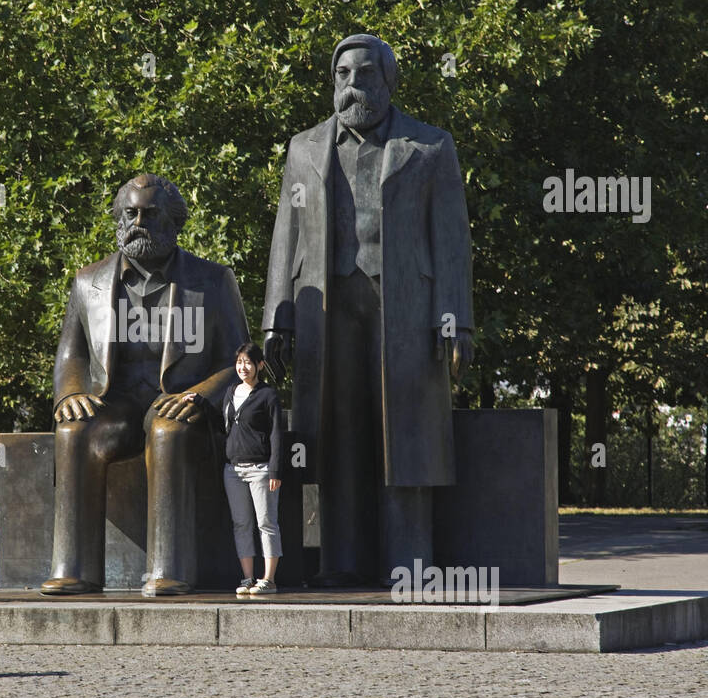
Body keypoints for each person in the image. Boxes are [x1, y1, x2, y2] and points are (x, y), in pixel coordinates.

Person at [262, 33, 473, 586]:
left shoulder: (429, 146)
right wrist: (275, 318)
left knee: (405, 435)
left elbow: (451, 240)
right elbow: (285, 236)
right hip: (324, 308)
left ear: (389, 82)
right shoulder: (303, 148)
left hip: (405, 304)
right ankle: (342, 561)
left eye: (366, 75)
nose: (354, 86)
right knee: (337, 434)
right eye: (344, 76)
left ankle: (410, 562)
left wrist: (457, 320)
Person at [45, 173, 249, 597]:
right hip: (113, 402)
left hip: (176, 401)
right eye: (130, 213)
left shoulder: (212, 280)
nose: (138, 222)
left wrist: (202, 395)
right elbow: (72, 355)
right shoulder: (88, 282)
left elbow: (238, 360)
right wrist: (70, 393)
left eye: (150, 214)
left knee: (166, 430)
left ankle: (168, 570)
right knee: (73, 432)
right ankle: (73, 569)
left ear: (174, 222)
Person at [187, 342, 284, 595]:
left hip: (261, 469)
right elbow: (224, 426)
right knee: (241, 524)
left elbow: (276, 435)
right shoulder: (230, 391)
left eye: (248, 362)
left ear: (259, 365)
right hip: (233, 470)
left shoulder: (268, 395)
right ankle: (248, 578)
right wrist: (201, 402)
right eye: (240, 362)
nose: (243, 367)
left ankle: (269, 580)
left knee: (266, 523)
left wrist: (275, 470)